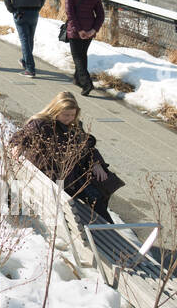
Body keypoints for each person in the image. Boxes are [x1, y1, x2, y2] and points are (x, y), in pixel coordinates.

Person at [9, 91, 116, 220]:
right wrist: (17, 146)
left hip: (70, 177)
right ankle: (104, 231)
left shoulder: (74, 126)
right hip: (56, 179)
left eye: (72, 115)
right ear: (55, 110)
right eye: (65, 115)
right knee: (93, 197)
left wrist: (96, 163)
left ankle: (107, 227)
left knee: (100, 192)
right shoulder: (41, 124)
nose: (69, 118)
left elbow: (87, 147)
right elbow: (21, 136)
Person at [4, 0, 47, 77]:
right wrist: (38, 6)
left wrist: (12, 9)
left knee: (24, 40)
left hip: (19, 11)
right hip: (34, 10)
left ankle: (30, 68)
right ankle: (25, 60)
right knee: (29, 38)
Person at [64, 0, 105, 96]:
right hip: (89, 29)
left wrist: (79, 29)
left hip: (76, 30)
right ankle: (78, 79)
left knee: (77, 57)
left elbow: (70, 13)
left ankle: (87, 83)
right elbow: (101, 15)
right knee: (82, 55)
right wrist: (93, 30)